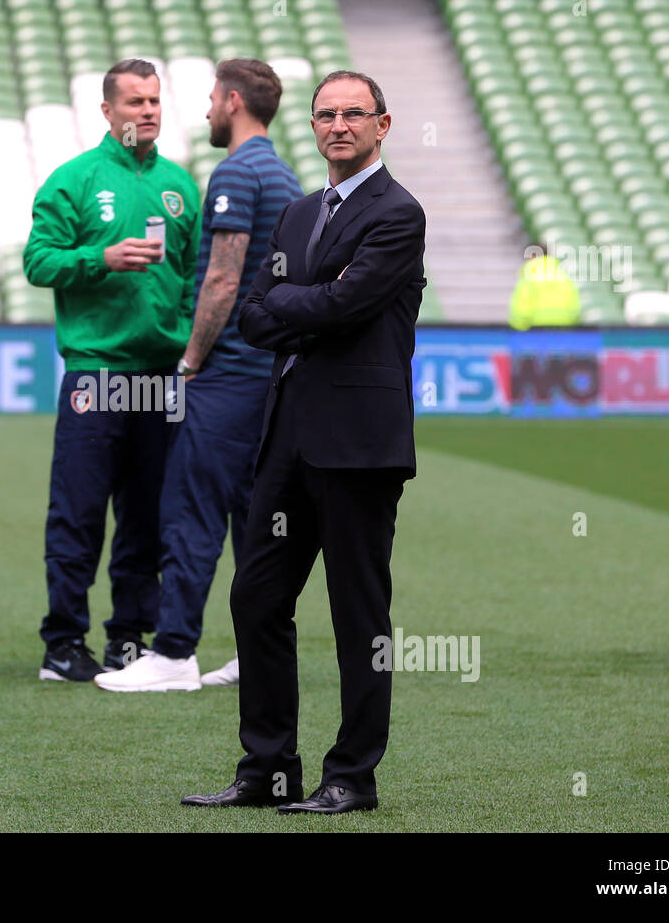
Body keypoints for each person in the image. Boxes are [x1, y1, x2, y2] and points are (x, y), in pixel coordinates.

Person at [182, 71, 426, 813]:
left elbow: (345, 305)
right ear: (312, 126)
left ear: (383, 126)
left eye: (355, 114)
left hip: (358, 445)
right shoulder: (293, 214)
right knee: (255, 597)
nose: (339, 125)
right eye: (326, 114)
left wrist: (303, 301)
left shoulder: (399, 213)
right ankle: (269, 770)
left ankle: (352, 775)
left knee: (358, 615)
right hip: (286, 439)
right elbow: (256, 316)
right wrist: (309, 302)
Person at [93, 59, 302, 693]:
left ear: (234, 101)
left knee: (190, 509)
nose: (207, 110)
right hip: (271, 373)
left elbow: (221, 277)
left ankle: (175, 653)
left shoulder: (236, 172)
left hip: (230, 372)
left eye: (213, 99)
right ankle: (258, 652)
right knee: (254, 517)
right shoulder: (286, 176)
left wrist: (189, 362)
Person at [25, 58, 201, 681]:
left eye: (154, 101)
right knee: (78, 509)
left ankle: (129, 636)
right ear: (107, 111)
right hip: (97, 371)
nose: (147, 111)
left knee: (150, 512)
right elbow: (38, 262)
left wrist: (183, 341)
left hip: (161, 375)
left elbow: (192, 280)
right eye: (134, 102)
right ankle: (63, 642)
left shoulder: (181, 185)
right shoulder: (72, 181)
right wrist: (101, 258)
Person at [508, 242, 580, 330]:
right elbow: (574, 305)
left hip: (535, 330)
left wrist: (519, 327)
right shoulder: (563, 275)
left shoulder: (529, 276)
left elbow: (522, 307)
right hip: (563, 329)